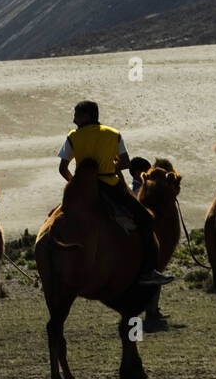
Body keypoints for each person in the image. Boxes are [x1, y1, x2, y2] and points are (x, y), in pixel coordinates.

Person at [57, 101, 172, 286]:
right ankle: (148, 271)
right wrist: (111, 166)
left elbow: (63, 168)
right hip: (110, 187)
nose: (73, 119)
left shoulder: (73, 136)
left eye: (77, 115)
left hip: (85, 189)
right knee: (146, 219)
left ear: (87, 116)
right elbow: (126, 163)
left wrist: (76, 184)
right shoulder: (113, 134)